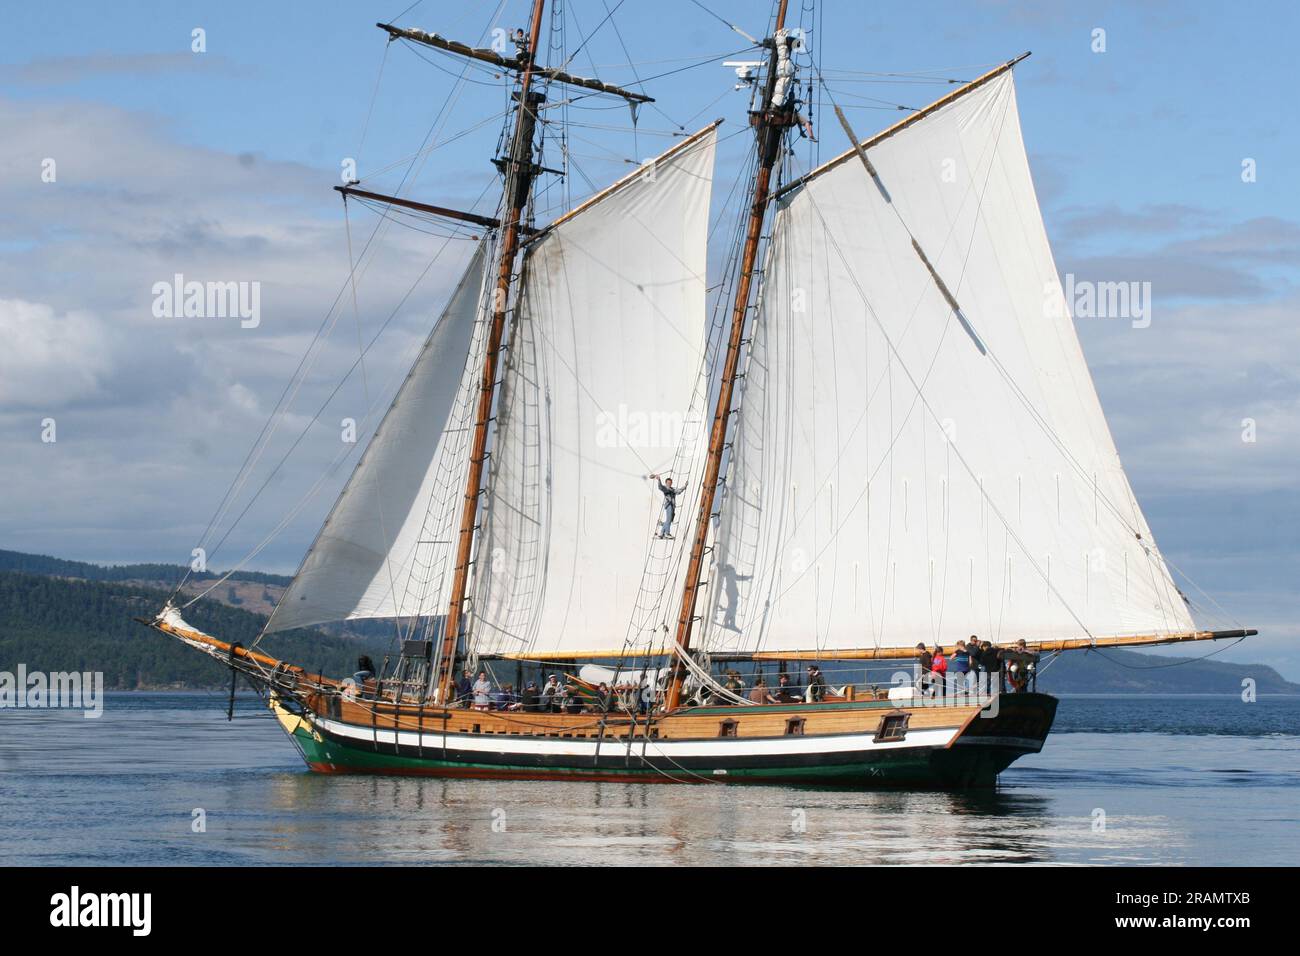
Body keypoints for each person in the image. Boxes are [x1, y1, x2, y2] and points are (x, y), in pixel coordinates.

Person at [649, 473, 683, 539]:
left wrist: (684, 487)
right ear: (666, 483)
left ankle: (661, 533)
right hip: (669, 505)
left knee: (669, 520)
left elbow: (678, 491)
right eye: (668, 482)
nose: (669, 484)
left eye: (670, 483)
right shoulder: (665, 488)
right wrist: (659, 480)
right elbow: (660, 487)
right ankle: (667, 533)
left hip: (672, 506)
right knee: (669, 520)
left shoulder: (672, 489)